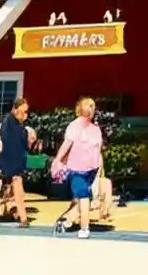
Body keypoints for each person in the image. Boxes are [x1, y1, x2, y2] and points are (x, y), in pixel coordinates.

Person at [53, 96, 105, 239]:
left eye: (92, 105)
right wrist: (100, 168)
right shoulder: (96, 130)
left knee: (82, 197)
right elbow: (98, 149)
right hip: (92, 167)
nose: (92, 108)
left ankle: (84, 228)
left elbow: (67, 144)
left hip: (78, 167)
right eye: (90, 105)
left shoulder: (74, 126)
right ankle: (68, 222)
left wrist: (57, 159)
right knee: (80, 197)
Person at [0, 98, 33, 227]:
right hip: (12, 159)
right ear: (16, 109)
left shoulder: (13, 123)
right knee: (17, 183)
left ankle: (2, 211)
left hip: (11, 159)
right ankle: (23, 217)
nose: (26, 115)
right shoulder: (11, 123)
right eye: (24, 111)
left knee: (9, 185)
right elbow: (16, 142)